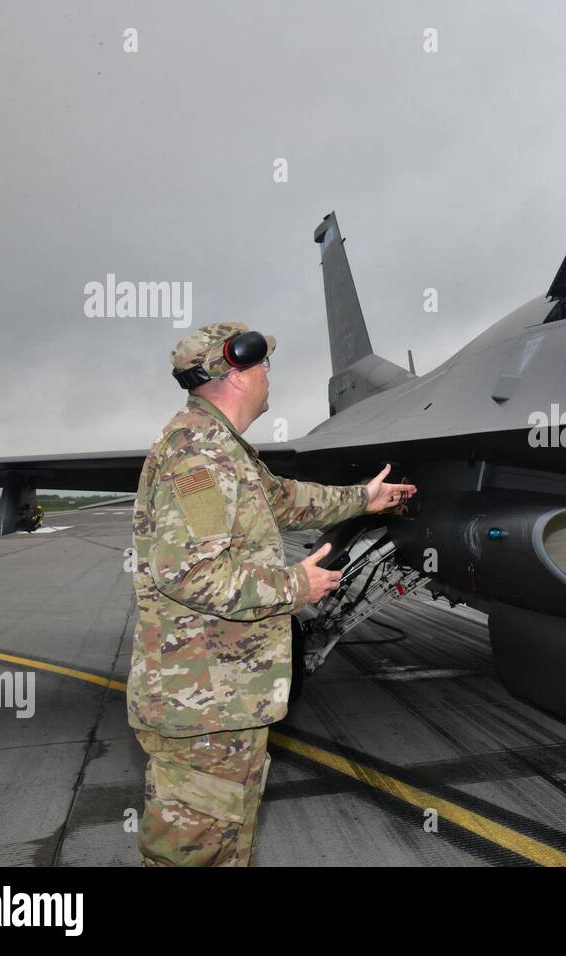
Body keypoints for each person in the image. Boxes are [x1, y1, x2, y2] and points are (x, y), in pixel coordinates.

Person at [128, 321, 416, 865]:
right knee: (193, 852)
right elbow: (190, 574)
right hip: (203, 707)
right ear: (236, 375)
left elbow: (285, 500)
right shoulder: (198, 457)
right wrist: (295, 585)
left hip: (223, 700)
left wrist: (364, 498)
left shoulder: (224, 451)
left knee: (224, 846)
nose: (269, 376)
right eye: (263, 366)